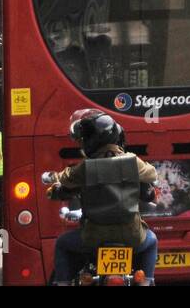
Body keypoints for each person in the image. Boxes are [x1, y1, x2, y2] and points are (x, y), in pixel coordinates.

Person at [47, 110, 158, 285]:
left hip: (92, 238)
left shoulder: (85, 168)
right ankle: (146, 281)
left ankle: (62, 283)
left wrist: (53, 182)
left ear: (90, 141)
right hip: (133, 235)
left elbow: (65, 180)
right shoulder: (133, 161)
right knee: (152, 241)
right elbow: (151, 174)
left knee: (62, 243)